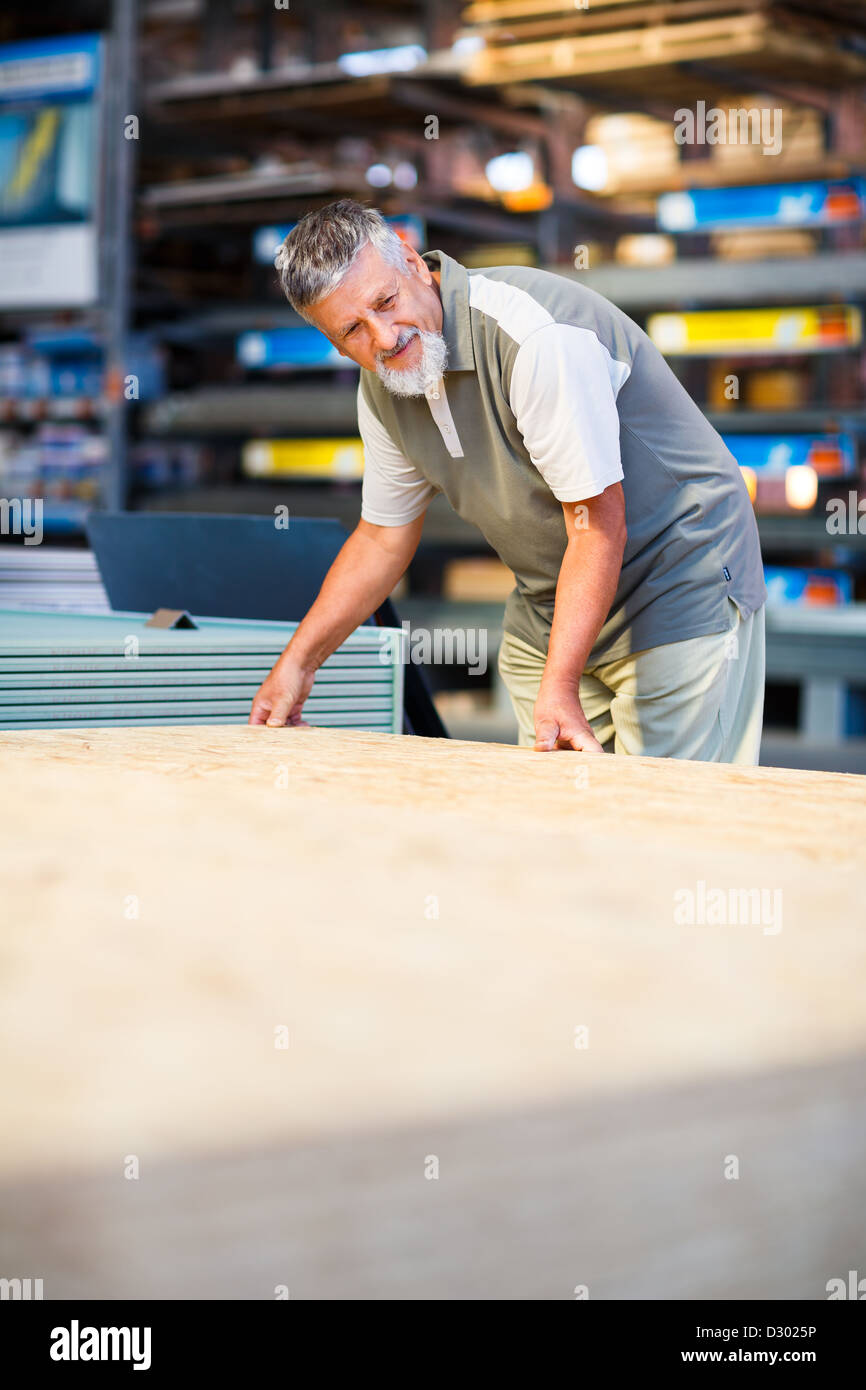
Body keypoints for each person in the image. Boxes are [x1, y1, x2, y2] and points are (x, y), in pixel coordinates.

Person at [249, 200, 766, 760]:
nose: (384, 336)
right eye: (352, 329)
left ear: (414, 264)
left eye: (386, 301)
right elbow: (382, 537)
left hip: (676, 578)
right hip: (554, 604)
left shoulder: (535, 336)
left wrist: (559, 685)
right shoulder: (384, 391)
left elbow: (597, 527)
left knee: (669, 821)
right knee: (562, 821)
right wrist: (296, 664)